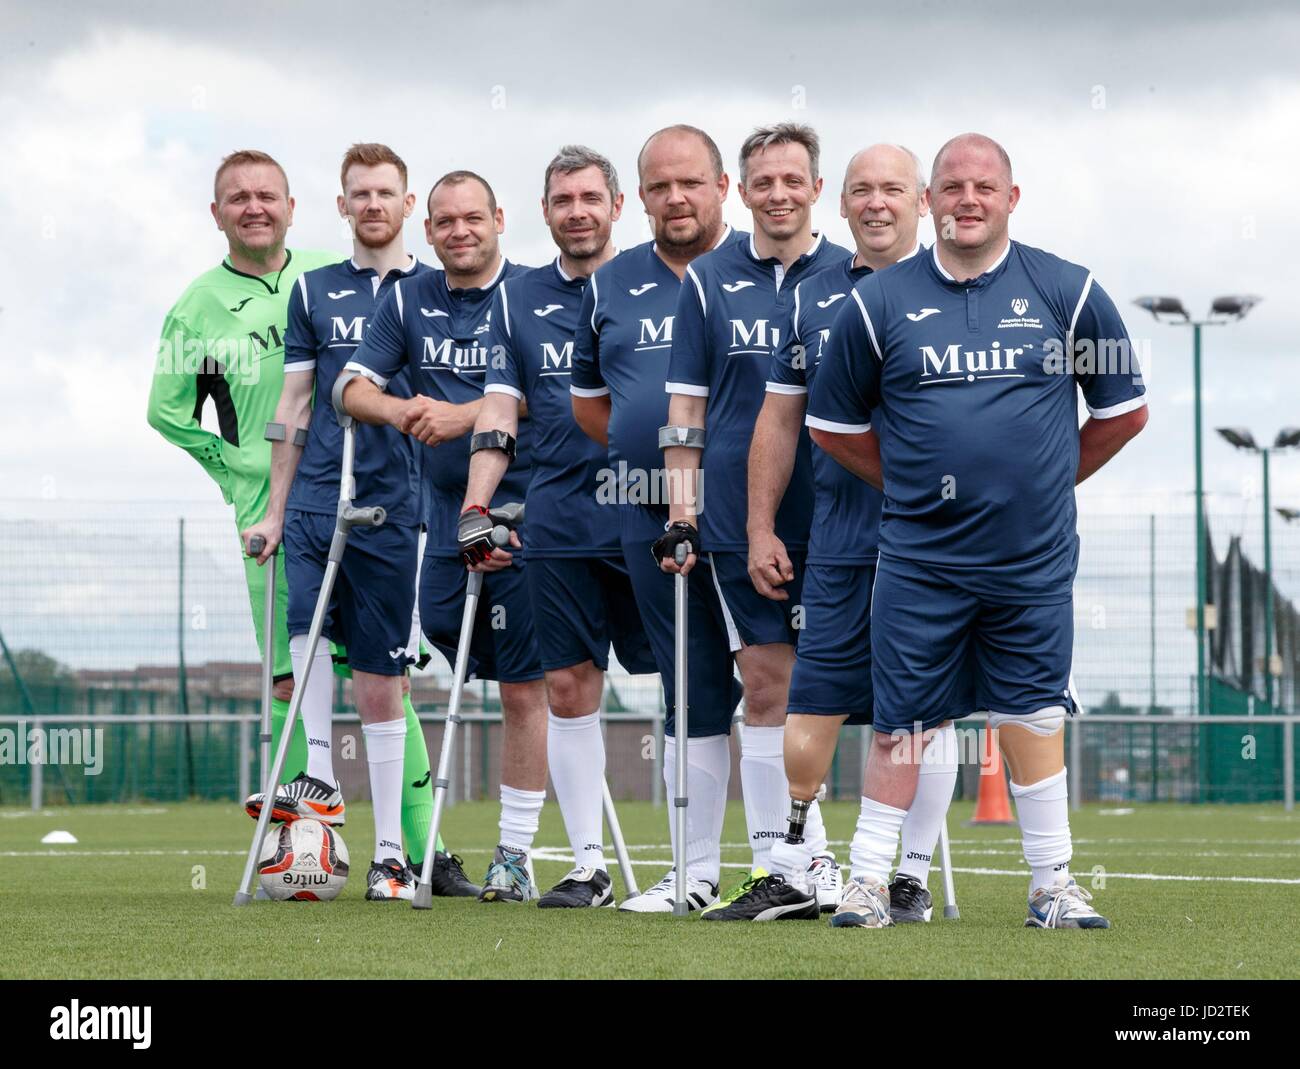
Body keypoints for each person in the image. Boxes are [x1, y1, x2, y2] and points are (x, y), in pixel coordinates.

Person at [807, 133, 1148, 928]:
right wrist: (915, 487)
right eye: (952, 186)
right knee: (903, 721)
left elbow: (1124, 411)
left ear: (1011, 198)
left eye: (983, 187)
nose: (967, 199)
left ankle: (1052, 885)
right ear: (929, 201)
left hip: (1030, 560)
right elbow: (830, 424)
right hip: (919, 559)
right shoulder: (878, 302)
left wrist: (1043, 483)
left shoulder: (1069, 289)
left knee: (1032, 715)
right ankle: (867, 882)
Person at [241, 143, 474, 900]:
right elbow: (292, 408)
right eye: (359, 194)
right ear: (341, 207)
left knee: (381, 684)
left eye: (385, 193)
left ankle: (389, 857)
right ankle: (317, 779)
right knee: (305, 647)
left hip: (400, 511)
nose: (372, 204)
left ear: (409, 206)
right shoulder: (314, 290)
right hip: (317, 501)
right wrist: (273, 511)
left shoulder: (442, 290)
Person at [744, 143, 958, 923]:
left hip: (935, 540)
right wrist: (761, 524)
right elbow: (778, 418)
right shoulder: (809, 299)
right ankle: (803, 865)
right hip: (838, 538)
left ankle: (908, 874)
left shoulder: (959, 287)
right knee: (816, 700)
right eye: (862, 190)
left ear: (922, 201)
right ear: (840, 203)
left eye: (893, 189)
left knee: (923, 710)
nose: (876, 203)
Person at [342, 169, 551, 904]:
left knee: (524, 690)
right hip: (440, 517)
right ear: (427, 231)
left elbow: (553, 397)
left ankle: (515, 855)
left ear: (499, 218)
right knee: (442, 638)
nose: (460, 231)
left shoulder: (534, 294)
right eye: (445, 221)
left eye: (474, 217)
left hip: (522, 519)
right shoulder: (406, 298)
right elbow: (349, 387)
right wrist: (406, 411)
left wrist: (465, 415)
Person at [659, 123, 848, 920]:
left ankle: (882, 869)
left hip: (842, 511)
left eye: (791, 179)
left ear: (815, 187)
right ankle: (790, 865)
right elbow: (685, 410)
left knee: (835, 689)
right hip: (743, 519)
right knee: (767, 684)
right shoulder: (708, 279)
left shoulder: (855, 274)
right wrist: (681, 510)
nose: (778, 193)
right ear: (743, 190)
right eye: (763, 180)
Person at [464, 145, 659, 909]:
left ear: (617, 205)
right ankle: (588, 866)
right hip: (559, 517)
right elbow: (499, 411)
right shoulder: (516, 300)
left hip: (650, 511)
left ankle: (702, 863)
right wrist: (475, 507)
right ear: (544, 212)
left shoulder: (662, 284)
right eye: (562, 200)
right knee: (568, 684)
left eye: (589, 197)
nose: (576, 211)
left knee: (690, 683)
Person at [570, 124, 744, 913]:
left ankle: (804, 865)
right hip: (647, 515)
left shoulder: (760, 274)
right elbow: (590, 404)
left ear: (722, 189)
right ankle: (695, 873)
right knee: (689, 687)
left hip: (756, 517)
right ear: (639, 198)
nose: (676, 199)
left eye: (691, 183)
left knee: (788, 682)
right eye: (660, 186)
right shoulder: (610, 285)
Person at [147, 150, 336, 799]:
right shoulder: (195, 307)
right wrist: (235, 469)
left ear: (291, 207)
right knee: (289, 675)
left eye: (267, 195)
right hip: (268, 508)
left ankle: (418, 852)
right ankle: (304, 838)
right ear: (217, 214)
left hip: (355, 499)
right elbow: (165, 413)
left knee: (380, 672)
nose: (254, 207)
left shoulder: (330, 277)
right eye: (238, 198)